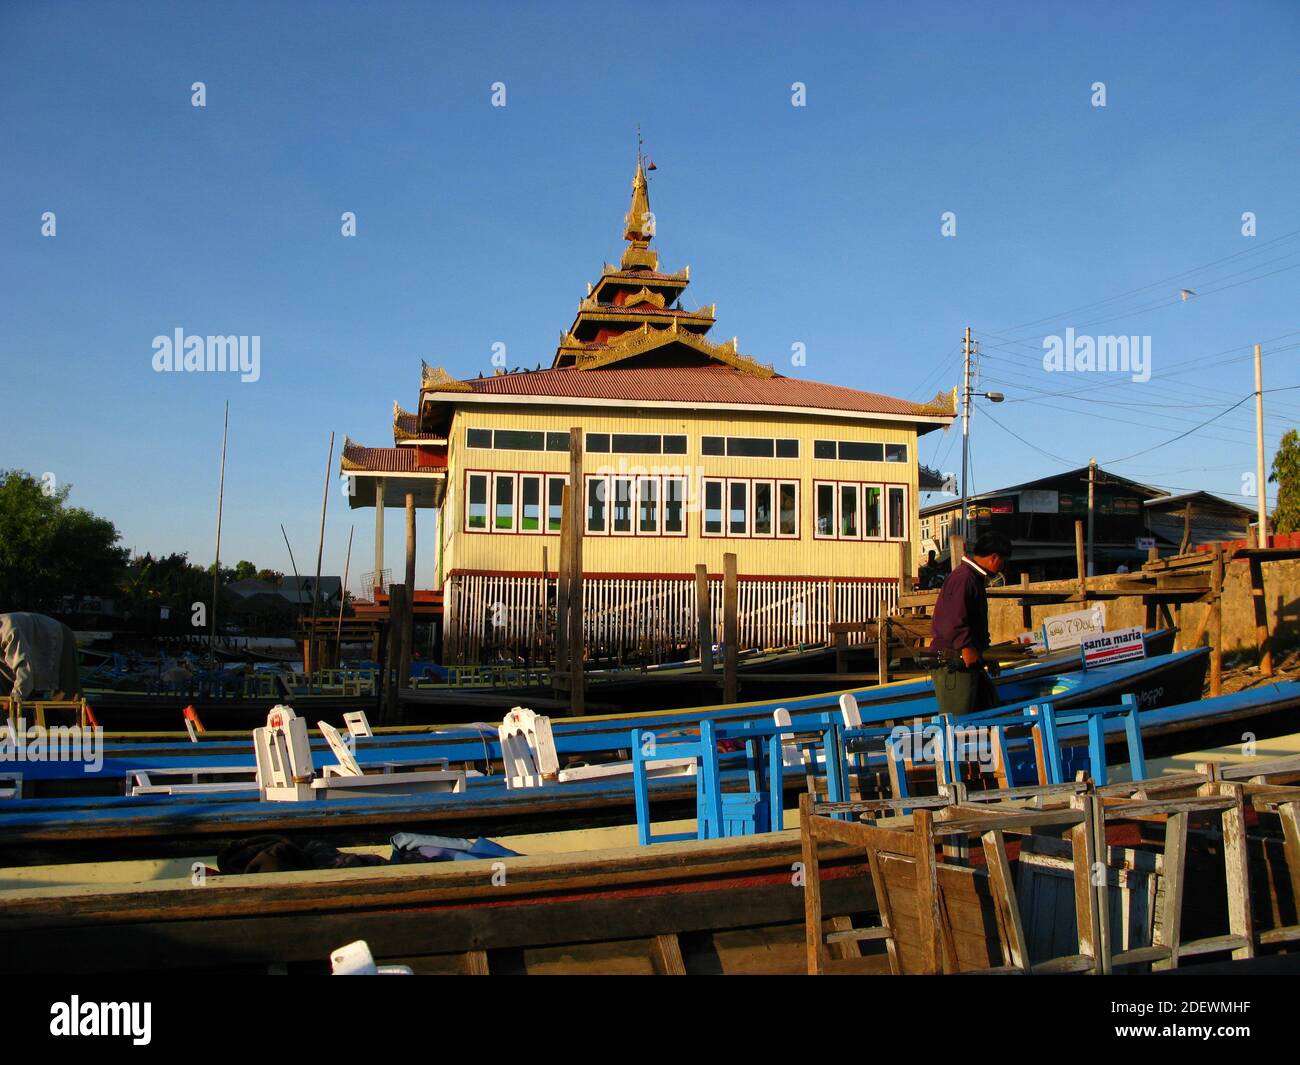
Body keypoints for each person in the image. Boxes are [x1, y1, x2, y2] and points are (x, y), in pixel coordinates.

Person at [927, 532, 1012, 714]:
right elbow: (952, 620)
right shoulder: (964, 577)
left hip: (972, 661)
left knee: (990, 710)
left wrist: (988, 655)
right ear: (994, 557)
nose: (1003, 566)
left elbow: (977, 624)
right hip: (953, 663)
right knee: (958, 724)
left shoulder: (975, 579)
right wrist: (965, 647)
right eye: (1003, 560)